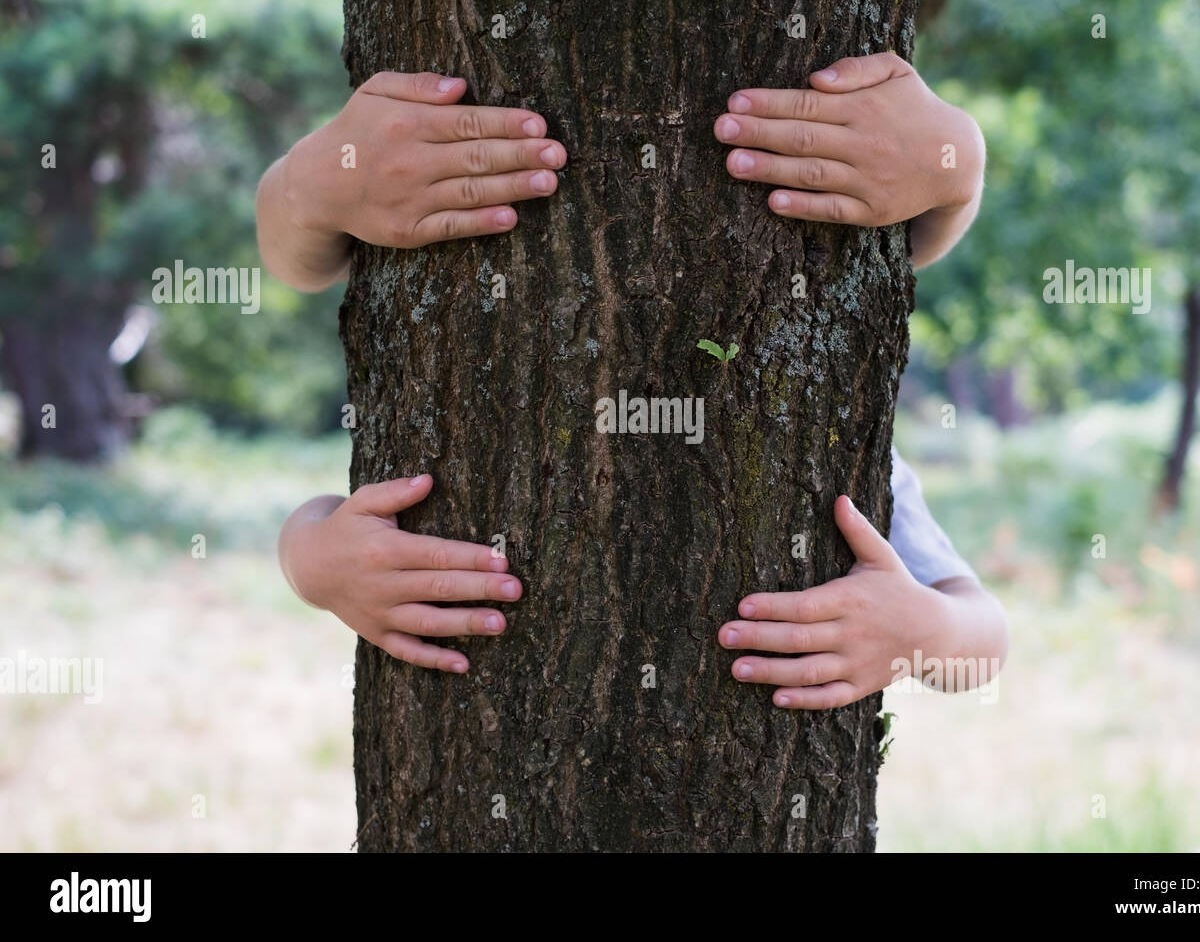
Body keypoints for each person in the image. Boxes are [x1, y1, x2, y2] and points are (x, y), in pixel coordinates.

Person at [261, 53, 1009, 711]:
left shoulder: (832, 448)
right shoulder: (458, 401)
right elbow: (327, 519)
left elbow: (983, 639)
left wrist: (922, 633)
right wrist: (318, 566)